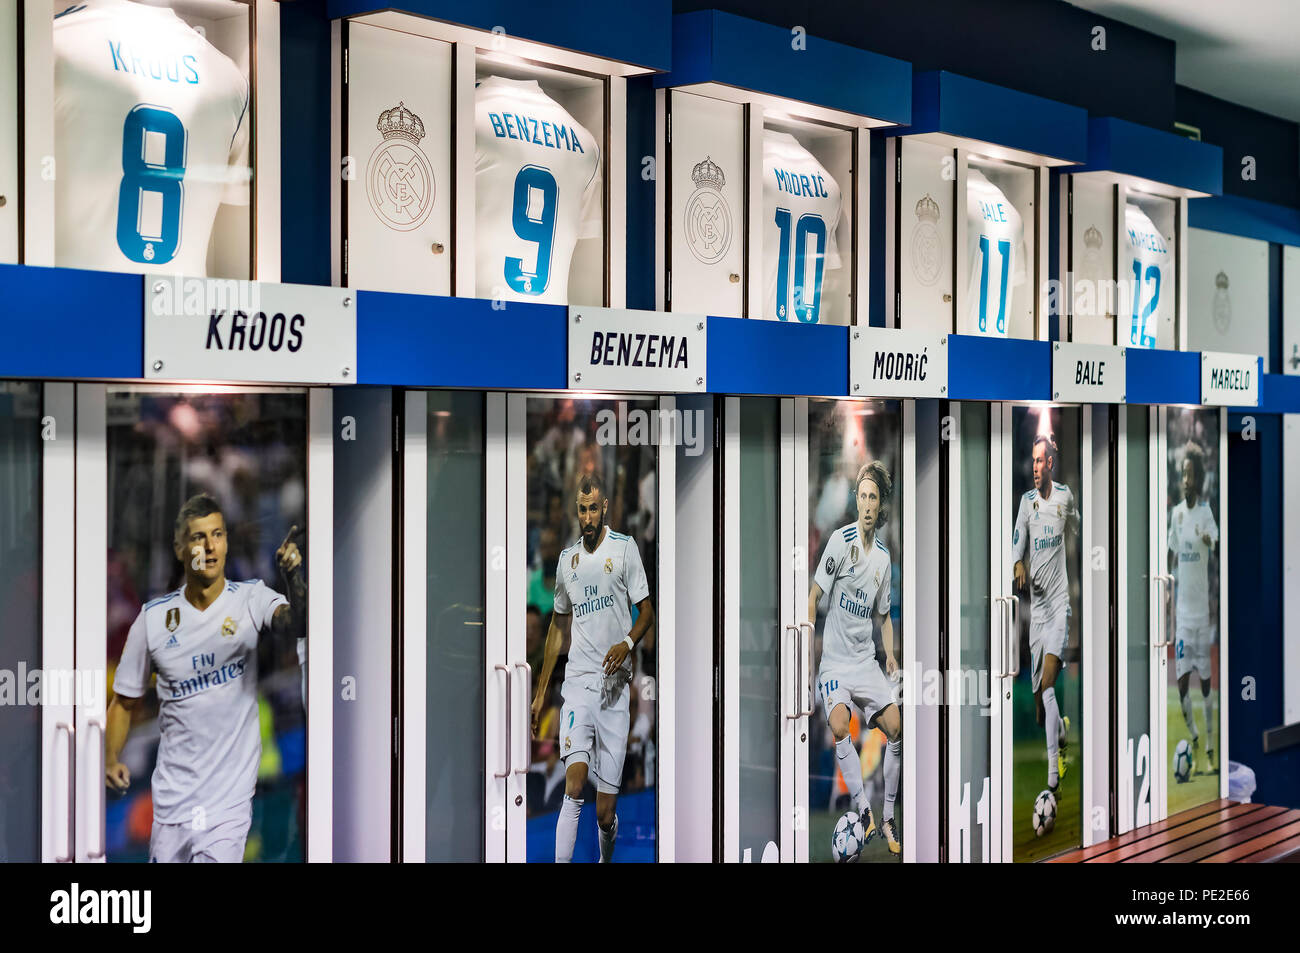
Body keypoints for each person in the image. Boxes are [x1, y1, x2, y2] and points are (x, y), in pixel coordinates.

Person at [104, 493, 305, 863]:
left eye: (218, 534)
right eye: (199, 537)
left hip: (227, 804)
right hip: (171, 807)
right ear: (181, 549)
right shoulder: (152, 620)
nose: (210, 546)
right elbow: (124, 702)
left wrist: (294, 578)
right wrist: (111, 757)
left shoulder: (251, 598)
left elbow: (297, 624)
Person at [531, 474, 655, 863]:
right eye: (581, 509)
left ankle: (606, 854)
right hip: (579, 682)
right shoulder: (567, 562)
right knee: (574, 782)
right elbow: (557, 627)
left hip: (615, 689)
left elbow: (648, 611)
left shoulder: (624, 549)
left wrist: (628, 643)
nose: (587, 516)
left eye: (593, 509)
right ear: (577, 512)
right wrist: (539, 694)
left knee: (604, 813)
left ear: (604, 509)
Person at [808, 461, 903, 856]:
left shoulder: (882, 560)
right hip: (834, 663)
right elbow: (813, 597)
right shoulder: (838, 542)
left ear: (880, 507)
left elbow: (882, 616)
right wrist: (807, 642)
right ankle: (863, 810)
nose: (866, 503)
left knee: (897, 728)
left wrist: (892, 657)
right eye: (861, 495)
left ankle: (888, 815)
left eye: (872, 497)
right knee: (839, 723)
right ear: (856, 500)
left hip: (865, 662)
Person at [1011, 433, 1078, 796]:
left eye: (1040, 461)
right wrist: (1018, 565)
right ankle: (1061, 730)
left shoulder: (1066, 497)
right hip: (1036, 616)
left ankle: (1053, 778)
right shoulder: (1026, 504)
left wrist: (1078, 526)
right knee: (1041, 712)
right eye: (1032, 461)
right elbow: (1015, 544)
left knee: (1049, 688)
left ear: (1050, 463)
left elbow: (1081, 528)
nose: (1035, 467)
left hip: (1058, 611)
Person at [1169, 443, 1219, 772]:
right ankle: (1197, 736)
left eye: (1191, 475)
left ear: (1198, 479)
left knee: (1205, 681)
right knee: (1182, 681)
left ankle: (1212, 744)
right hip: (1183, 618)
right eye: (1184, 474)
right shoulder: (1176, 515)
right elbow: (1172, 552)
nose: (1186, 480)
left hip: (1202, 615)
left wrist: (1206, 541)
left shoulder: (1206, 513)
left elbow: (1214, 541)